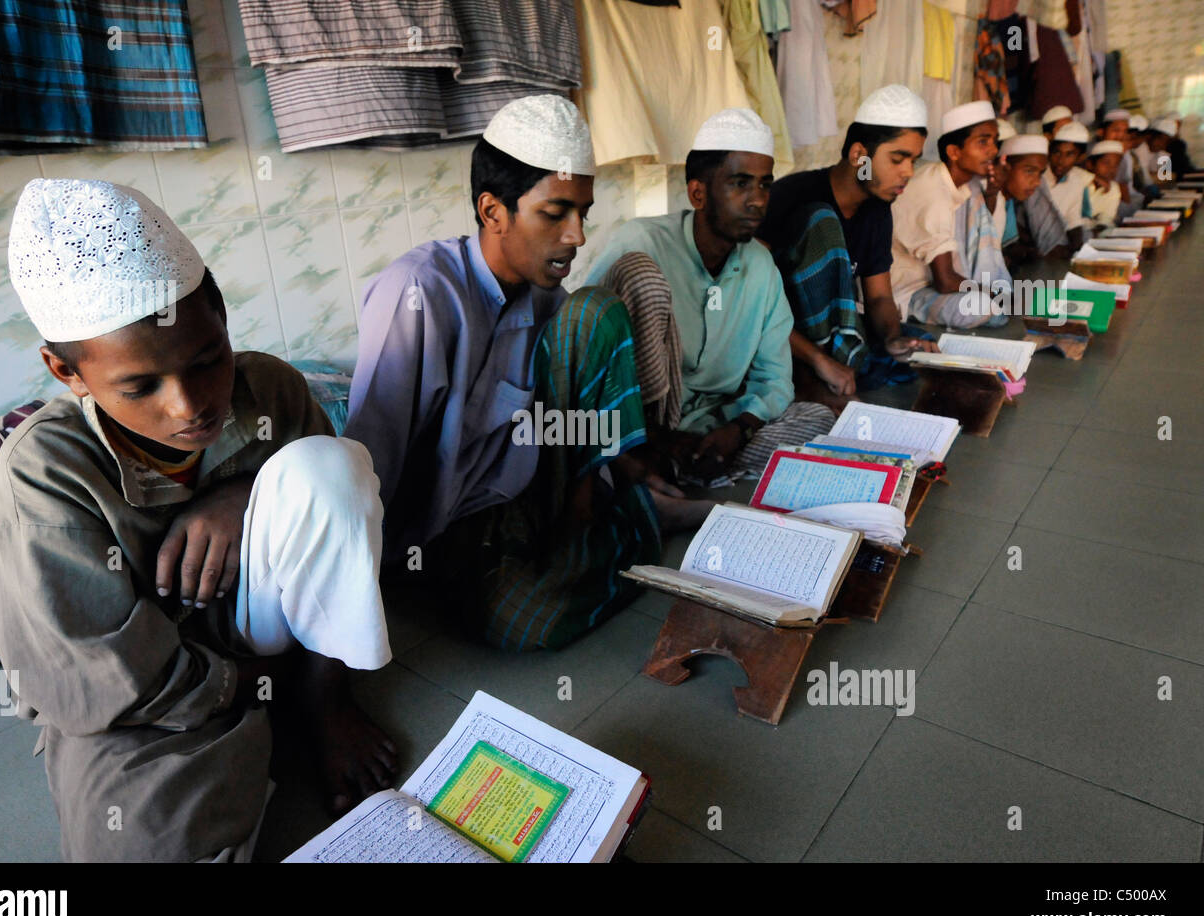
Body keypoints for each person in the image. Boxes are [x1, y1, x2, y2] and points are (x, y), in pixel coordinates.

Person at [0, 179, 396, 862]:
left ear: (225, 320)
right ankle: (266, 705)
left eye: (208, 361)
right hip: (150, 692)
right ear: (66, 371)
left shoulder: (272, 389)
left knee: (334, 466)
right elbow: (100, 672)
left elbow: (335, 533)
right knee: (141, 840)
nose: (190, 407)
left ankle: (321, 697)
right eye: (140, 387)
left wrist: (250, 488)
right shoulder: (42, 475)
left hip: (259, 628)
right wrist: (247, 687)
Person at [345, 96, 705, 653]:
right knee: (525, 625)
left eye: (584, 213)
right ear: (494, 212)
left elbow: (569, 415)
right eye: (555, 213)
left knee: (595, 311)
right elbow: (370, 462)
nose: (577, 236)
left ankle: (606, 519)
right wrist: (360, 606)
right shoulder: (419, 294)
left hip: (527, 493)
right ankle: (639, 523)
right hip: (450, 526)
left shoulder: (545, 298)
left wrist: (595, 482)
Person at [585, 108, 837, 479]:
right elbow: (587, 350)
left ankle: (686, 469)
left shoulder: (761, 267)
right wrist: (654, 437)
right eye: (740, 183)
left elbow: (774, 376)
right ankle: (657, 462)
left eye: (765, 185)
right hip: (637, 426)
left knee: (818, 417)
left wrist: (739, 430)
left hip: (717, 424)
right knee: (600, 448)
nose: (757, 200)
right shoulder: (640, 245)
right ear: (698, 193)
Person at [755, 85, 939, 408]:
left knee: (920, 344)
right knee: (822, 220)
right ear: (859, 155)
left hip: (836, 328)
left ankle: (840, 363)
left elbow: (879, 296)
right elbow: (751, 306)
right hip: (779, 337)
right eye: (898, 159)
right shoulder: (792, 196)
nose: (908, 172)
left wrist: (893, 337)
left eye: (913, 160)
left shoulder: (877, 208)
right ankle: (817, 373)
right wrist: (816, 359)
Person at [890, 100, 1012, 329]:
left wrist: (994, 192)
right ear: (954, 152)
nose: (994, 150)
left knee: (993, 306)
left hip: (934, 282)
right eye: (983, 141)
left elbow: (985, 237)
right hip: (907, 292)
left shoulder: (966, 185)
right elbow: (945, 281)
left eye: (995, 141)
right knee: (980, 308)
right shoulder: (932, 188)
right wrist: (992, 293)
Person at [995, 135, 1059, 268]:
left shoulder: (1008, 200)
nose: (1036, 182)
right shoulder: (990, 199)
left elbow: (1009, 246)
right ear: (1005, 167)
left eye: (1040, 173)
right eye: (1029, 171)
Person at [1045, 120, 1094, 244]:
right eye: (1057, 152)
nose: (1061, 160)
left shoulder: (1076, 182)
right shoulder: (1038, 176)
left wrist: (1077, 249)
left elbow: (1073, 222)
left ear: (1080, 157)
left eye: (1069, 154)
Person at [1086, 140, 1124, 227]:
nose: (1111, 169)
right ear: (1090, 164)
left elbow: (1106, 219)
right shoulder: (1079, 181)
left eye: (1116, 164)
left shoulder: (1114, 188)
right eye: (1106, 163)